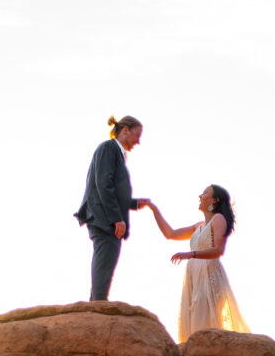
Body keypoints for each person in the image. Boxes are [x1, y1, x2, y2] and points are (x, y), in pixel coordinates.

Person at [143, 184, 250, 343]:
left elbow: (218, 250)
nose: (200, 196)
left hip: (208, 276)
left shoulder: (218, 219)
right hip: (194, 276)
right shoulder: (198, 226)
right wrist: (154, 209)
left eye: (205, 193)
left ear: (214, 200)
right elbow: (170, 234)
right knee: (192, 321)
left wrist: (191, 254)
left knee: (204, 322)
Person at [74, 115, 144, 301]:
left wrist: (134, 203)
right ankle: (97, 306)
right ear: (125, 131)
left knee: (106, 265)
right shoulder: (108, 148)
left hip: (105, 217)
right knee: (104, 265)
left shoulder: (114, 152)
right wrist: (116, 218)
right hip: (104, 219)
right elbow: (104, 184)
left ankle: (96, 305)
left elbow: (112, 189)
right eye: (137, 136)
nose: (138, 141)